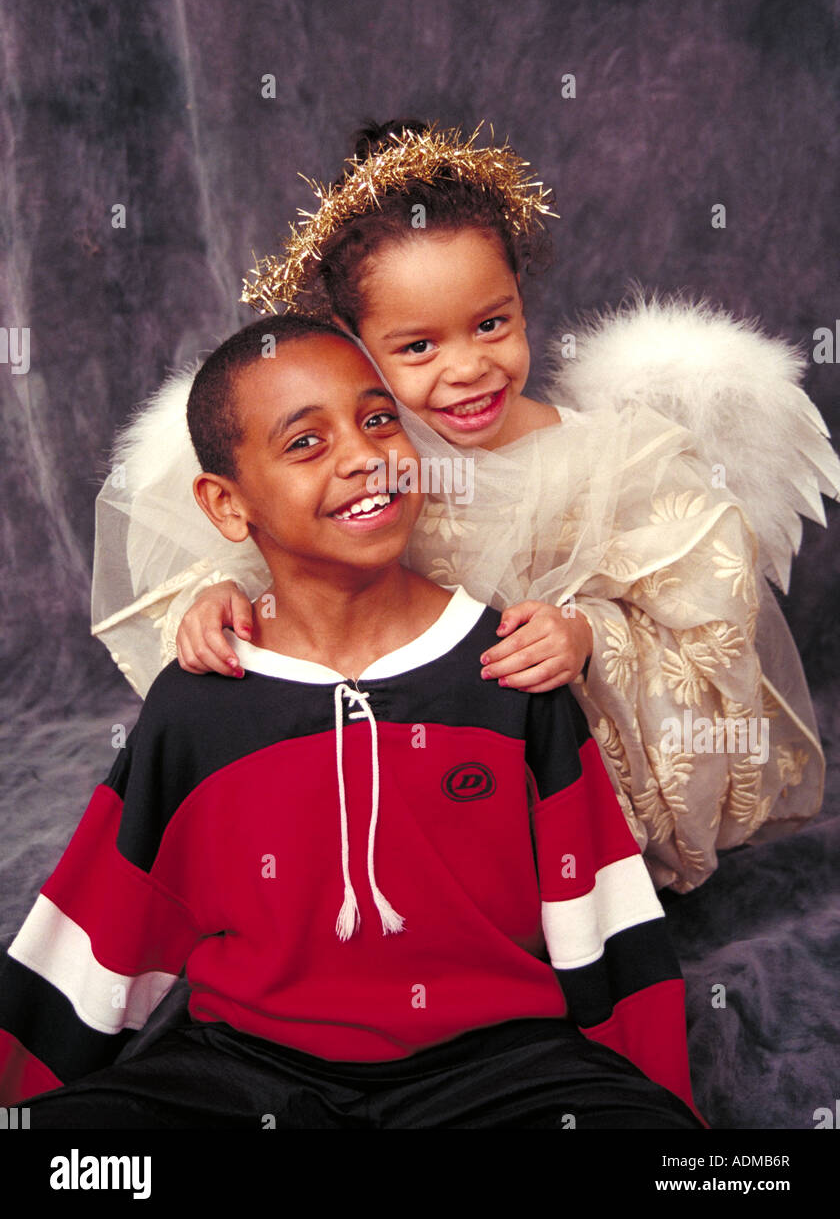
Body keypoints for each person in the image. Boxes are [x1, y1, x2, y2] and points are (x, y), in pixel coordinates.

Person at [90, 120, 840, 894]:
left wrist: (587, 637)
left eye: (492, 324)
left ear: (520, 300)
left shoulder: (613, 465)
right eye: (417, 348)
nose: (469, 369)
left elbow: (710, 638)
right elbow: (280, 560)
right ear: (352, 342)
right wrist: (226, 595)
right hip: (387, 774)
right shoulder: (347, 468)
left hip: (537, 791)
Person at [0, 317, 704, 1129]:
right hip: (247, 1073)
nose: (365, 456)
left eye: (378, 421)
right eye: (306, 444)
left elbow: (604, 913)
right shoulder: (198, 703)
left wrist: (663, 1113)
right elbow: (101, 926)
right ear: (226, 504)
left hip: (502, 1067)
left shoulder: (511, 667)